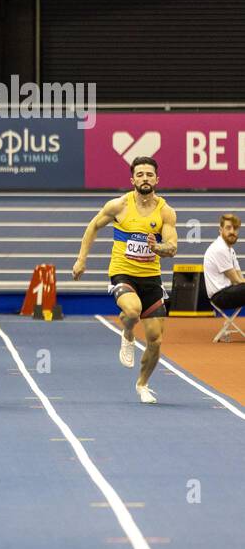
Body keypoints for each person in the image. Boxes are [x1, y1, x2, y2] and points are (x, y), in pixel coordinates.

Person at [72, 155, 177, 405]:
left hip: (151, 278)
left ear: (157, 179)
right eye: (140, 174)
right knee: (132, 310)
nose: (145, 178)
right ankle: (128, 332)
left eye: (149, 174)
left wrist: (159, 247)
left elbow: (172, 247)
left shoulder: (166, 211)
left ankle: (142, 384)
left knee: (155, 340)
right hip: (123, 272)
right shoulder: (119, 206)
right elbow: (93, 227)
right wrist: (81, 260)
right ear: (132, 180)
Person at [204, 213, 244, 311]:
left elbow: (240, 278)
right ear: (220, 230)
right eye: (228, 228)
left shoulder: (230, 250)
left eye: (235, 228)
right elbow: (236, 280)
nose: (232, 231)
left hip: (229, 292)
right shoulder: (219, 248)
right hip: (219, 296)